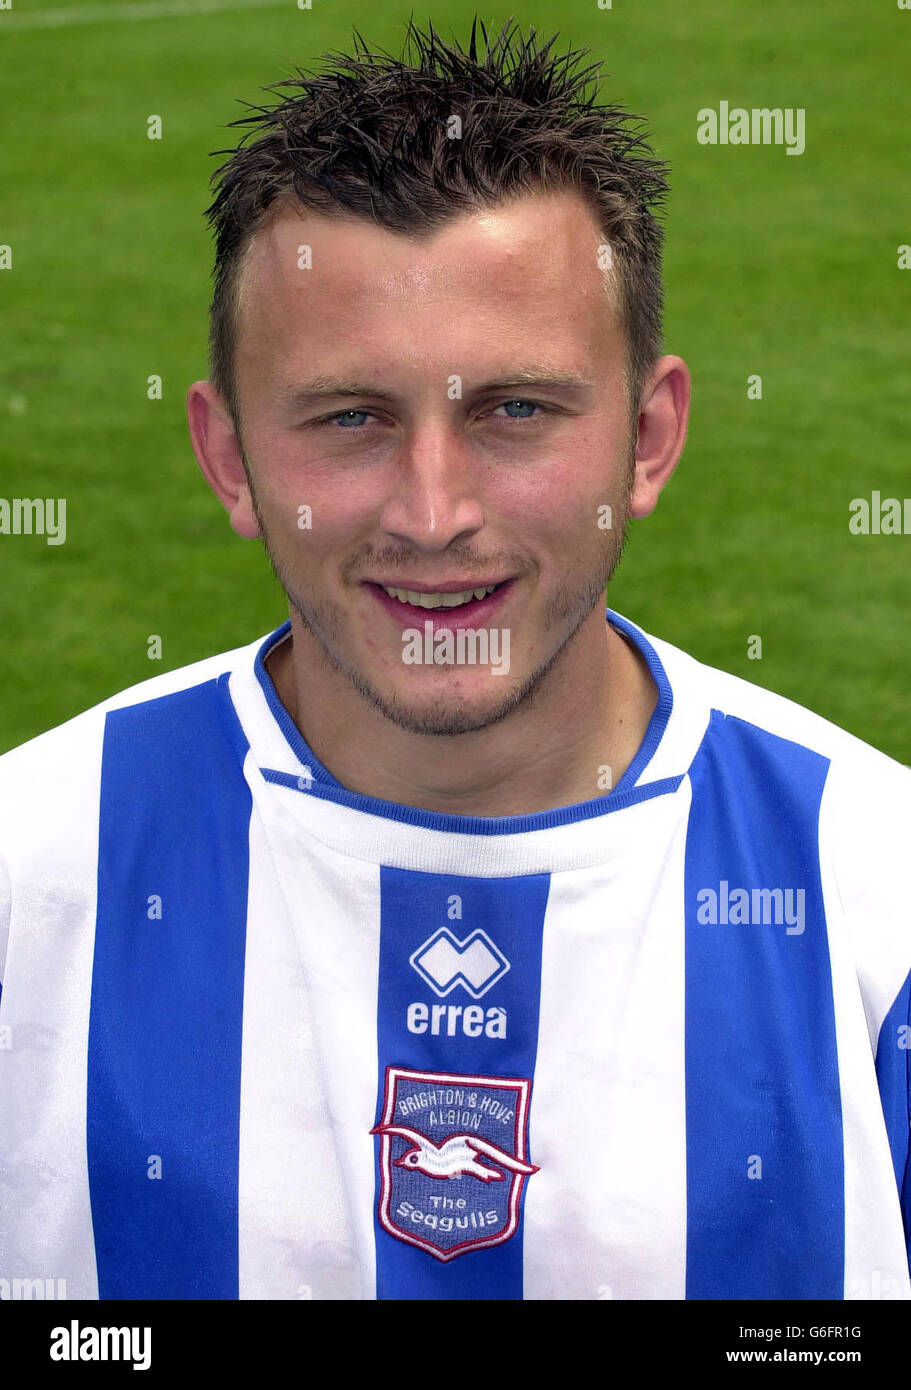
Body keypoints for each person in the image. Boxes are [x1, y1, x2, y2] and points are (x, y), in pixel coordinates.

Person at [0, 17, 908, 1302]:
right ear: (228, 458)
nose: (432, 513)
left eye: (514, 410)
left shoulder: (882, 900)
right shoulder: (26, 882)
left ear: (647, 440)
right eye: (351, 417)